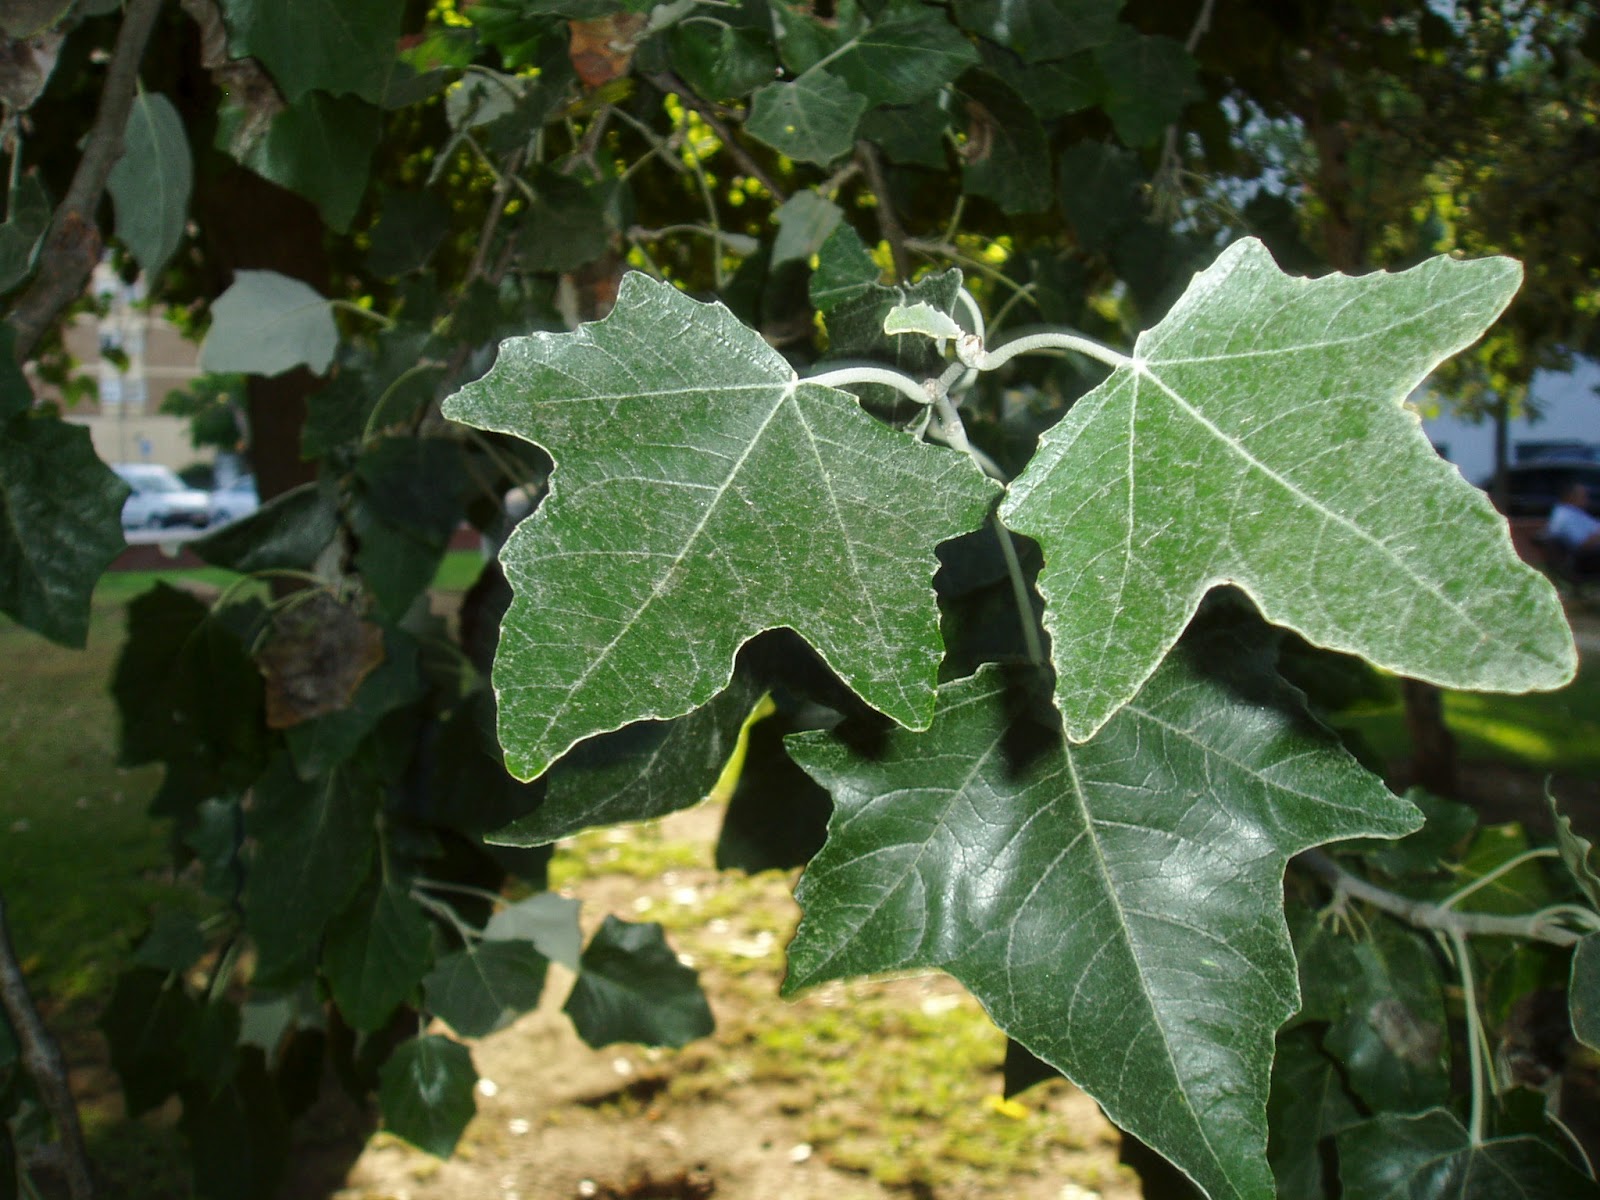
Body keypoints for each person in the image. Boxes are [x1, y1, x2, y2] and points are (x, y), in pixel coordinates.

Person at [1544, 481, 1600, 572]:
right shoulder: (1564, 516)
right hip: (1586, 559)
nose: (1587, 499)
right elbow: (1582, 544)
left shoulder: (1574, 512)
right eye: (1583, 496)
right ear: (1571, 496)